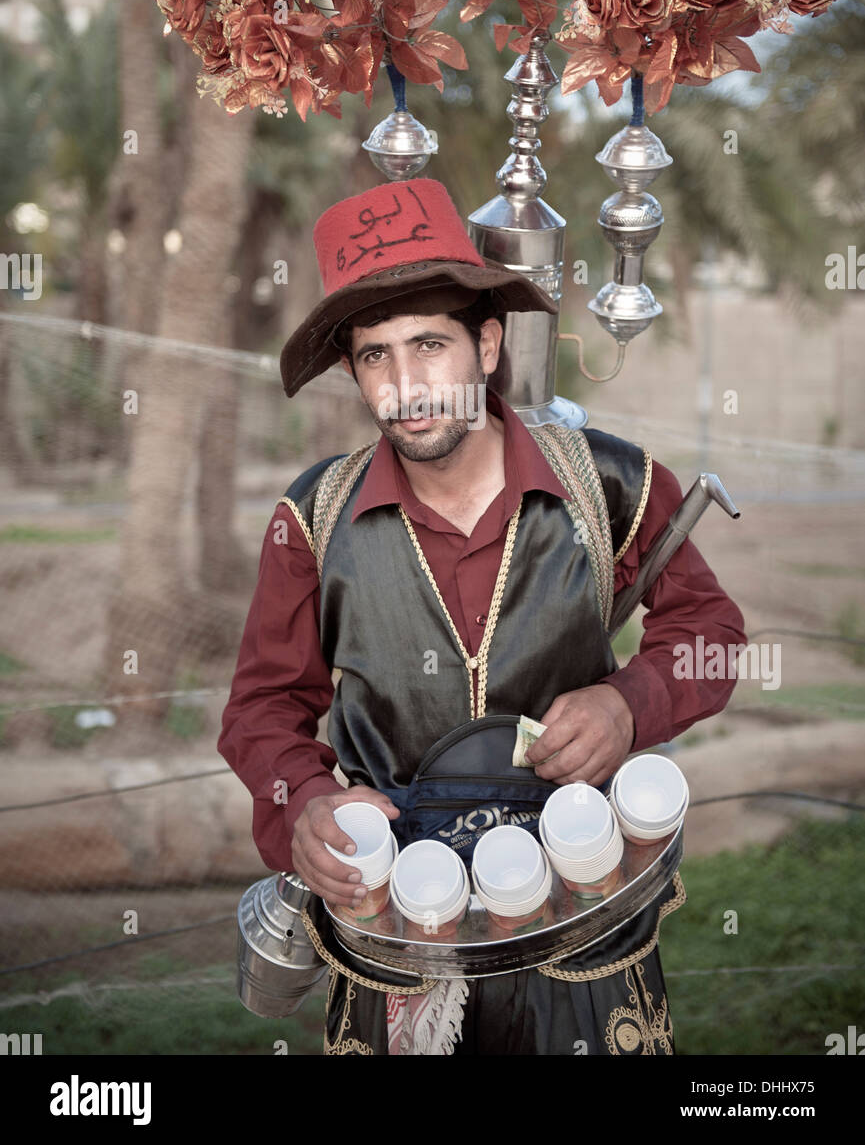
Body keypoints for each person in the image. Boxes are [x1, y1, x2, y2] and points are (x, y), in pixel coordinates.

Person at [217, 177, 747, 1055]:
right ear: (352, 373)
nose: (408, 384)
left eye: (430, 344)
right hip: (393, 918)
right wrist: (305, 800)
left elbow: (710, 637)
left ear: (488, 343)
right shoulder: (312, 517)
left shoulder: (608, 484)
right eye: (376, 356)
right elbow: (262, 706)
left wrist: (628, 703)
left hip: (583, 916)